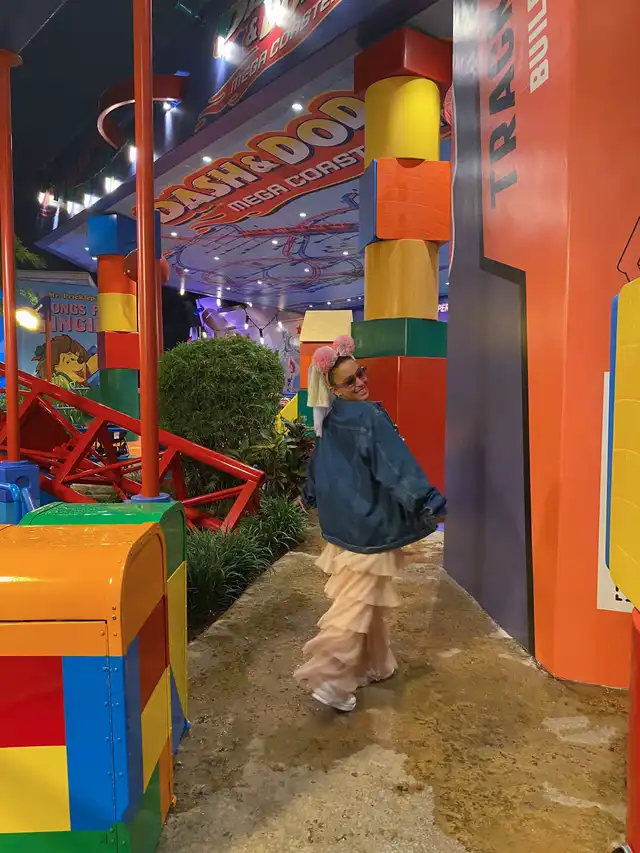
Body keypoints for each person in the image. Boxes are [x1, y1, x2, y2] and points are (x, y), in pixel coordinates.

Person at [294, 335, 446, 712]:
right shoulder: (368, 418)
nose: (360, 382)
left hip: (343, 523)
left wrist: (308, 495)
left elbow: (319, 465)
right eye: (350, 381)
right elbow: (395, 467)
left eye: (361, 372)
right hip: (369, 523)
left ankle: (375, 663)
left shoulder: (329, 418)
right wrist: (429, 502)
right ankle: (331, 678)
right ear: (334, 388)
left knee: (366, 597)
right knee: (356, 603)